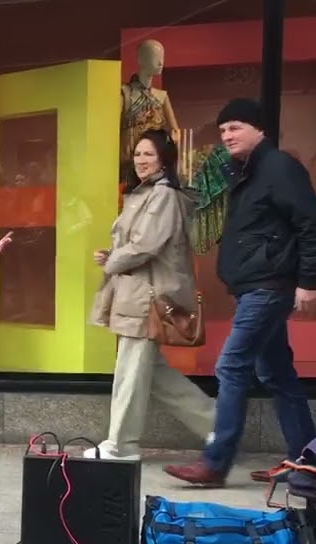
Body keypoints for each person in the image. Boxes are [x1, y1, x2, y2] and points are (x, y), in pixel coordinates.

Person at [164, 98, 316, 487]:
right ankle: (309, 461)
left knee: (231, 365)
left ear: (260, 130)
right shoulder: (242, 172)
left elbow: (314, 225)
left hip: (269, 285)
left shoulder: (279, 168)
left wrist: (309, 281)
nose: (227, 135)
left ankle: (215, 462)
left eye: (236, 127)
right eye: (223, 130)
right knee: (277, 374)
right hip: (254, 284)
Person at [86, 129, 215, 461]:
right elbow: (140, 243)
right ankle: (219, 425)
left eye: (149, 154)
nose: (141, 160)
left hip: (146, 296)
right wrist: (113, 255)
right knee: (153, 374)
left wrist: (114, 260)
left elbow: (146, 245)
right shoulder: (146, 193)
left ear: (163, 160)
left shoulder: (162, 195)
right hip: (138, 291)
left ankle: (121, 445)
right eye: (138, 154)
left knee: (130, 372)